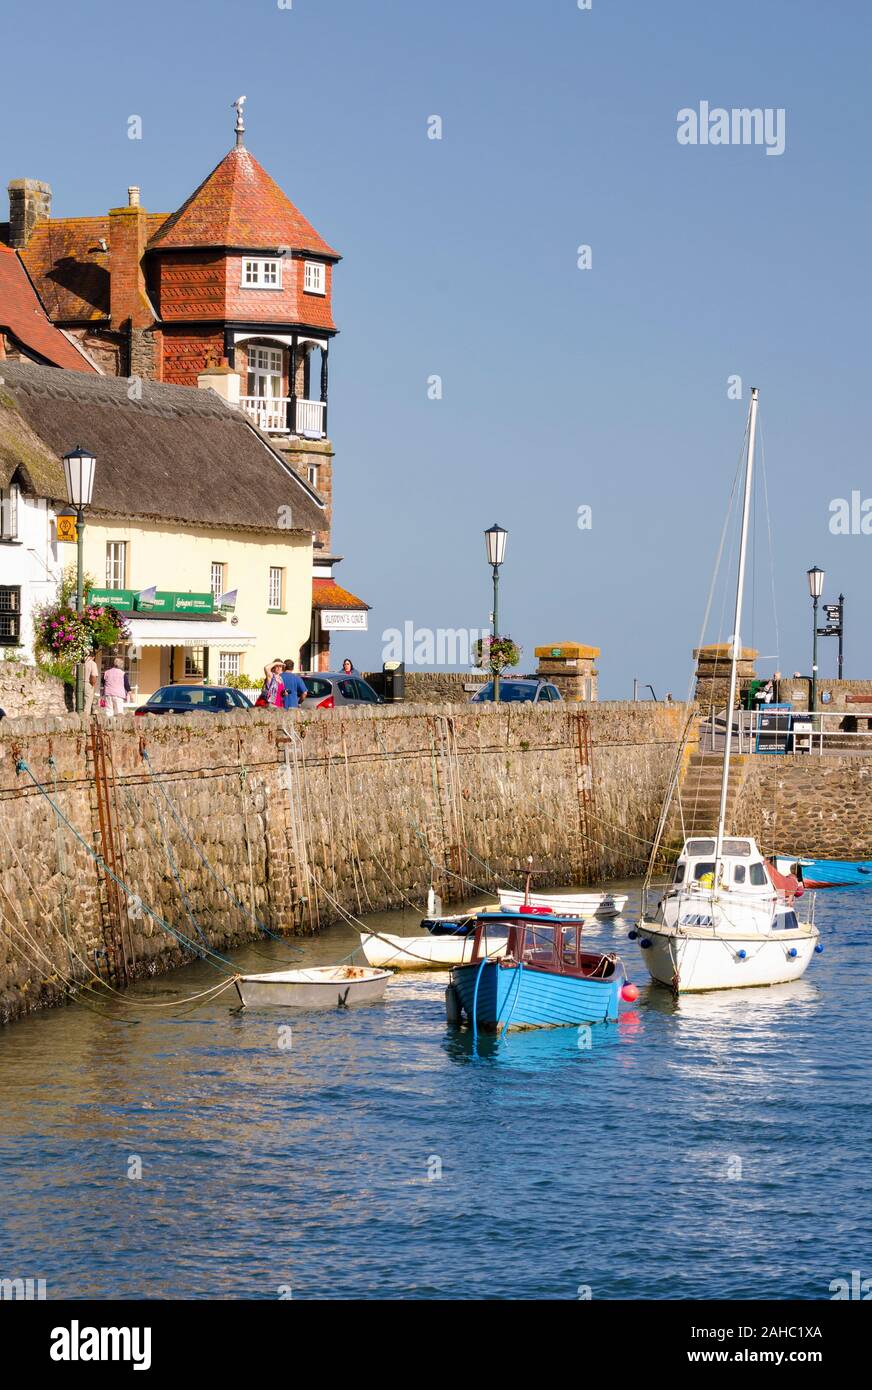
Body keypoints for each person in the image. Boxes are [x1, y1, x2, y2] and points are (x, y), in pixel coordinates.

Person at [83, 648, 100, 718]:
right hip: (88, 683)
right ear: (93, 657)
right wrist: (93, 685)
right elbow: (93, 676)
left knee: (79, 702)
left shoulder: (79, 662)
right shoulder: (92, 664)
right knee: (87, 703)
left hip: (78, 683)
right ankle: (85, 719)